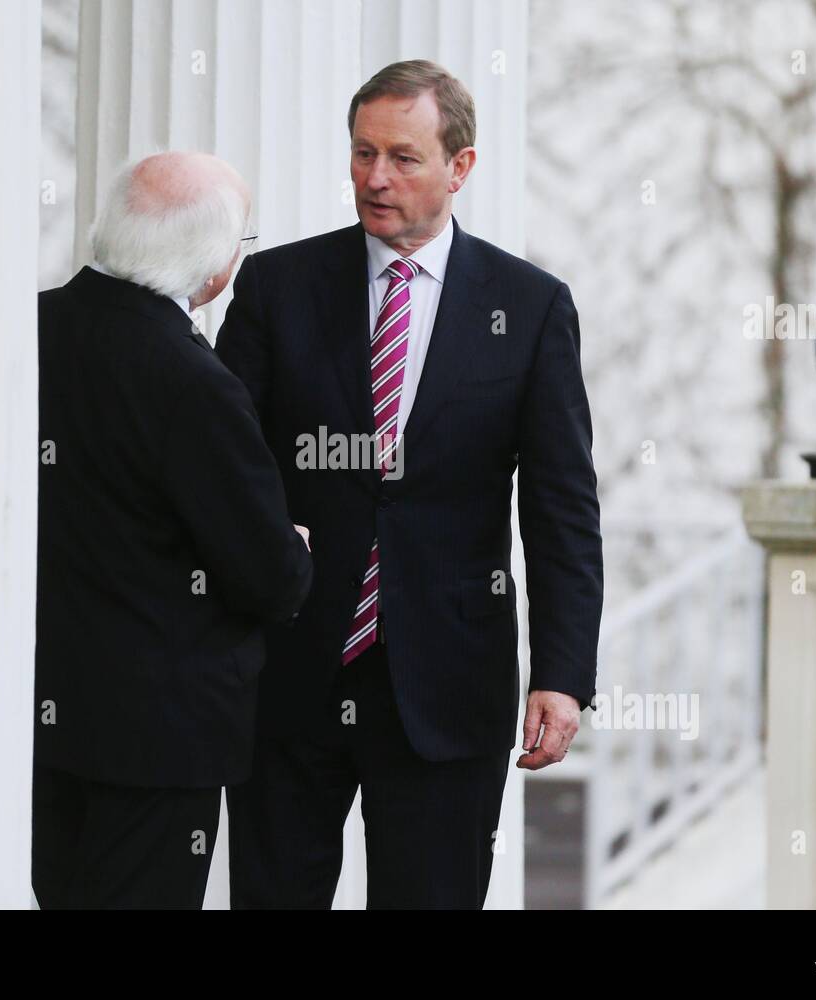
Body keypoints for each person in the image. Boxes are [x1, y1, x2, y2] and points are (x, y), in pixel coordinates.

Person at [216, 60, 604, 909]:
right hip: (292, 672)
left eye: (402, 156)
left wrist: (564, 673)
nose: (375, 177)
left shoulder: (531, 307)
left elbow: (562, 508)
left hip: (448, 683)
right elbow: (224, 468)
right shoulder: (278, 287)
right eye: (361, 153)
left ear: (460, 167)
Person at [32, 151, 313, 909]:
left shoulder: (29, 332)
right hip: (158, 739)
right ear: (217, 269)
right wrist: (296, 547)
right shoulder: (194, 383)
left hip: (38, 711)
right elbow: (267, 575)